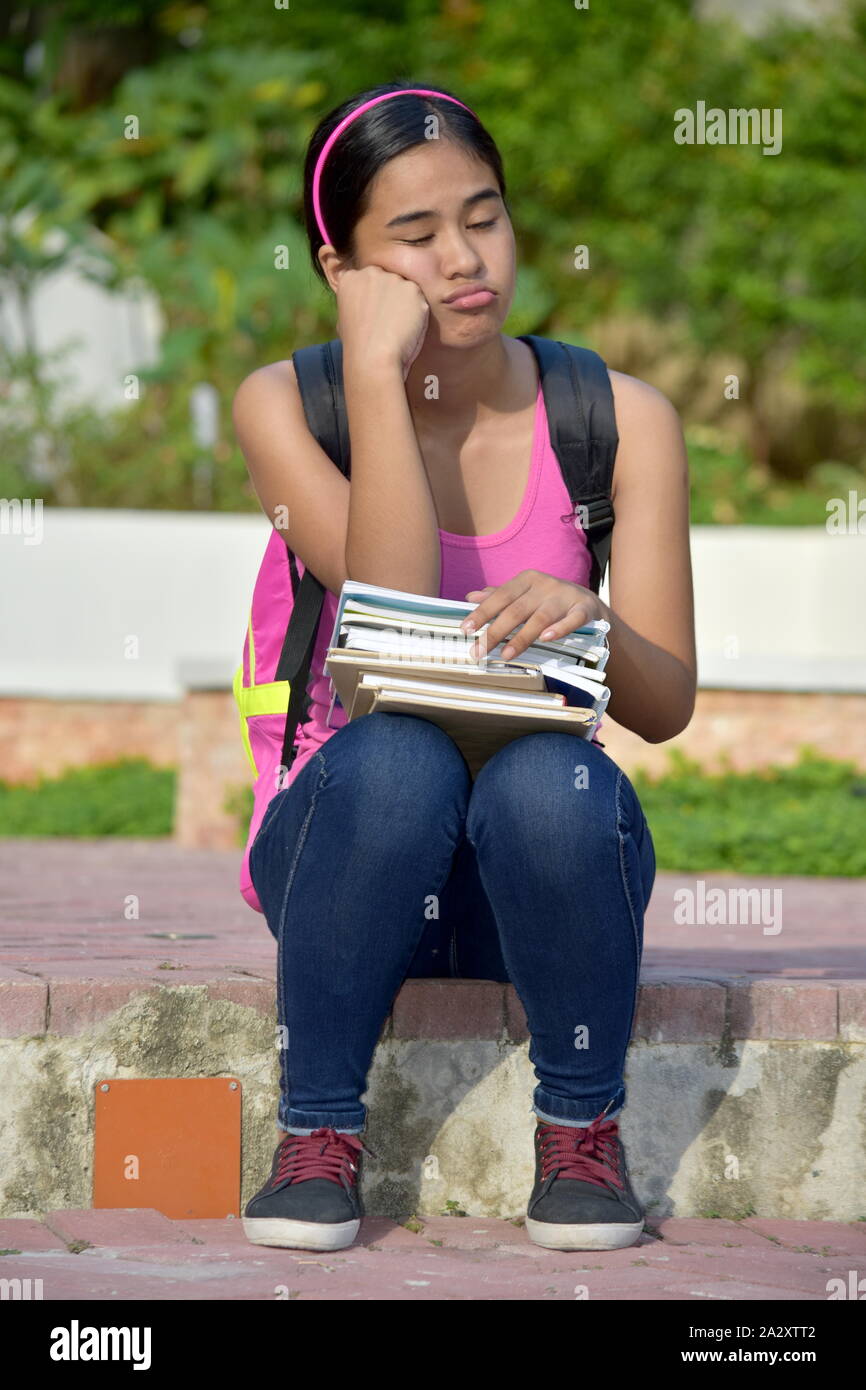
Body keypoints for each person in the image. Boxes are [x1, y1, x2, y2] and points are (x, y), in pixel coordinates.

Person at [231, 81, 696, 1255]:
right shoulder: (289, 407)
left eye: (482, 216)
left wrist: (586, 620)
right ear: (343, 267)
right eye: (416, 234)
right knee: (394, 759)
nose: (464, 257)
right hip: (346, 857)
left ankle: (580, 1133)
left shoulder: (616, 418)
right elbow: (378, 606)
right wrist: (378, 377)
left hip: (534, 874)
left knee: (553, 778)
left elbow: (665, 703)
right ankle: (316, 1134)